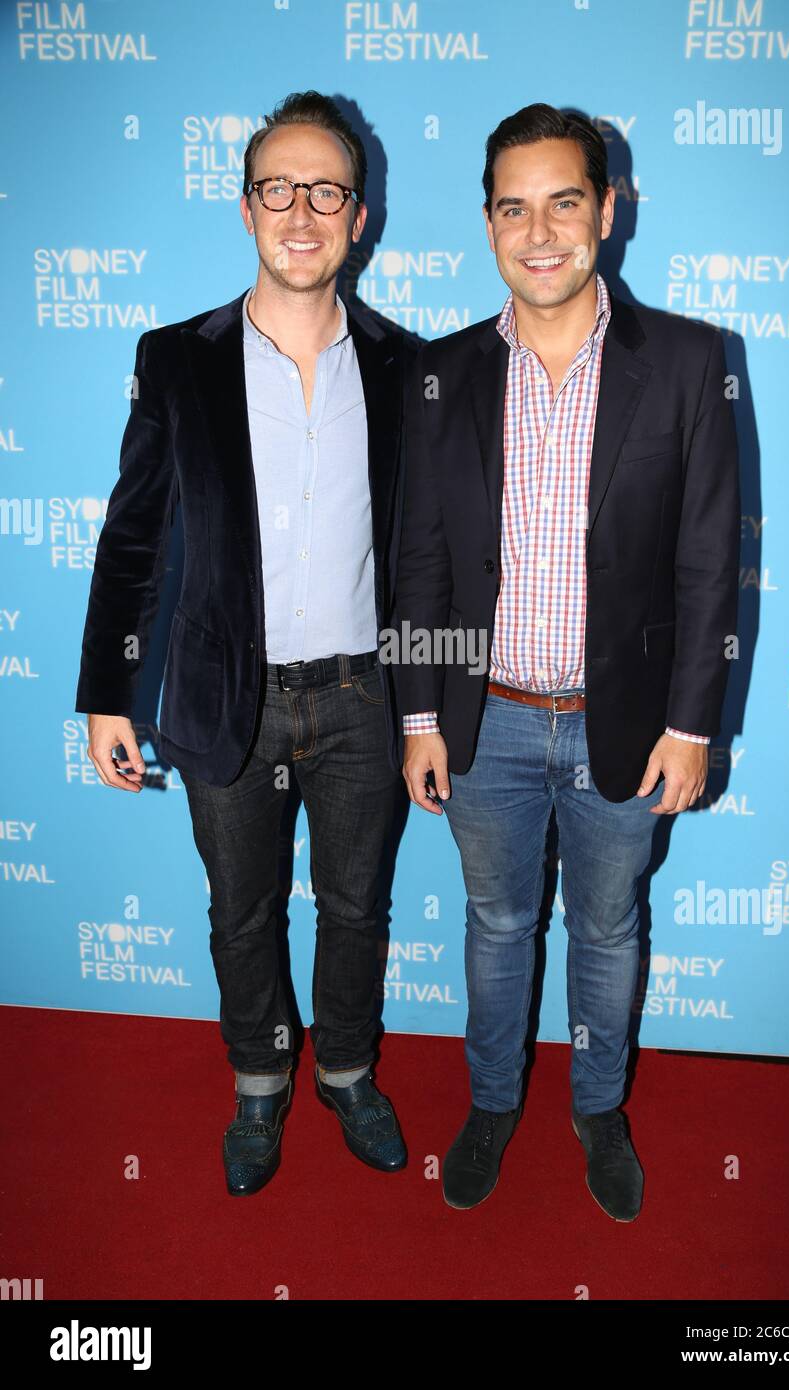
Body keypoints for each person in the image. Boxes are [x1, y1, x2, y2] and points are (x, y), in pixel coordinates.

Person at [392, 103, 740, 1218]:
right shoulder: (440, 374)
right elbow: (420, 565)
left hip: (626, 723)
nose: (537, 231)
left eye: (563, 202)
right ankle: (492, 1101)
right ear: (486, 220)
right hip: (482, 721)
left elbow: (706, 564)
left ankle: (596, 1105)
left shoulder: (689, 363)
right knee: (495, 926)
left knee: (606, 928)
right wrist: (417, 719)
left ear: (606, 209)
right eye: (512, 206)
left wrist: (692, 726)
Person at [76, 91, 416, 1196]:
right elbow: (135, 537)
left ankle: (350, 1070)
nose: (302, 212)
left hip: (366, 697)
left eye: (328, 190)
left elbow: (432, 550)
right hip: (228, 694)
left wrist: (434, 702)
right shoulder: (177, 360)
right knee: (242, 909)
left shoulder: (407, 368)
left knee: (358, 907)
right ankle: (261, 1085)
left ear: (358, 216)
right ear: (245, 209)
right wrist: (108, 694)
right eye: (279, 188)